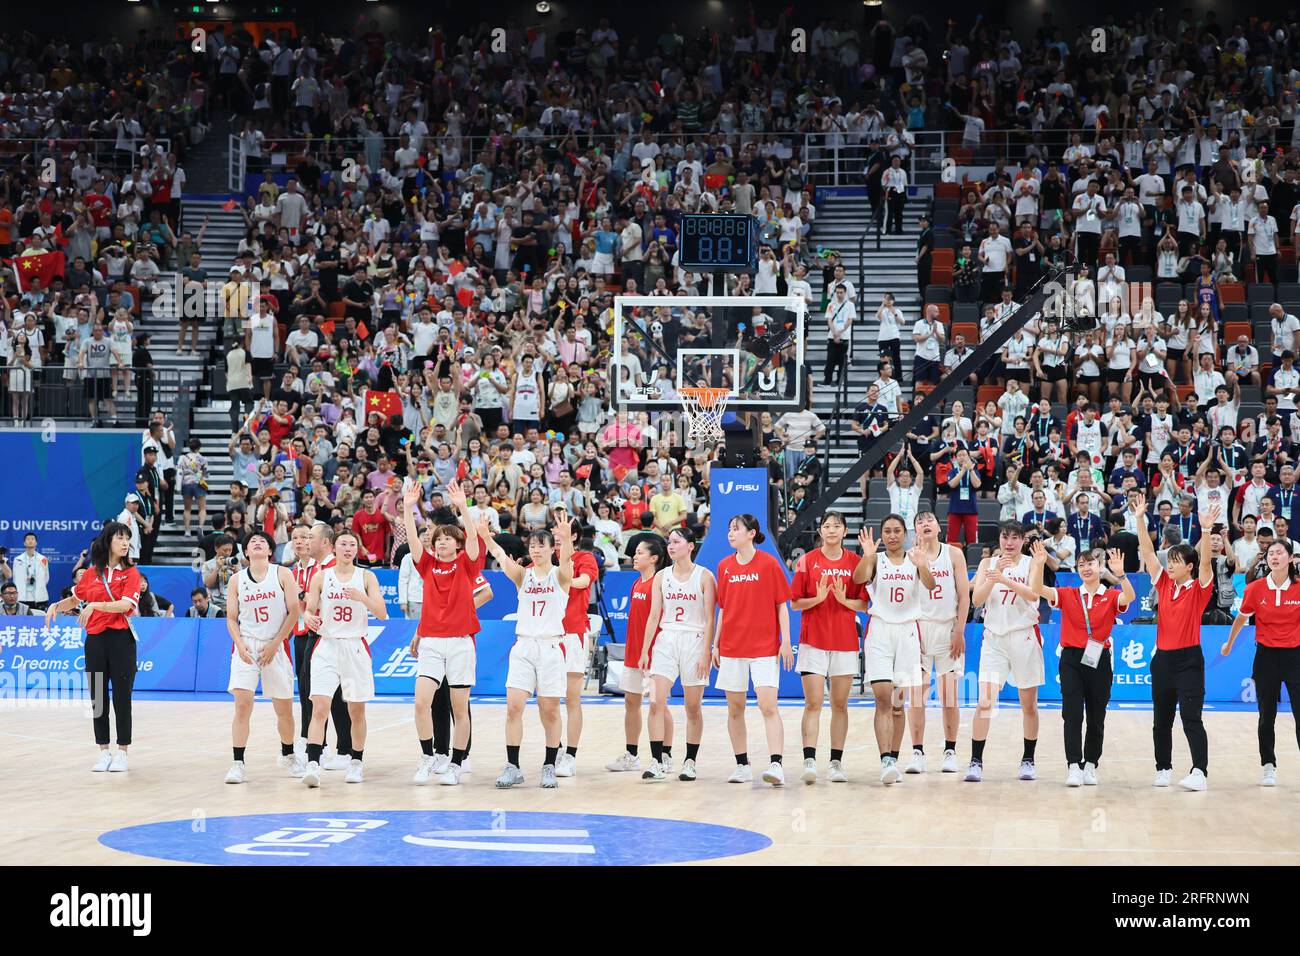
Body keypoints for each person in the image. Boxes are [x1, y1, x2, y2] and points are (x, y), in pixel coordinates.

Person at [480, 518, 577, 789]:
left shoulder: (560, 575)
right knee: (513, 707)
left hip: (550, 647)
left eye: (541, 545)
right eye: (532, 545)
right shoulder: (524, 576)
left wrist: (567, 538)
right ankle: (513, 766)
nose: (535, 549)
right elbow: (500, 556)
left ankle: (549, 764)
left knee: (549, 710)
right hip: (523, 646)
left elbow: (568, 561)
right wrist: (486, 538)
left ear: (551, 549)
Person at [1031, 544, 1135, 787]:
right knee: (1072, 714)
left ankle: (1090, 765)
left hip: (1099, 659)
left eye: (1090, 564)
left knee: (1096, 716)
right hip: (1071, 660)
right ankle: (1073, 765)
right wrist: (1038, 564)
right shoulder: (1068, 594)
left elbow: (1128, 597)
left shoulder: (1110, 596)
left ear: (1100, 567)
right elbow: (1037, 589)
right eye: (1081, 565)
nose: (1086, 568)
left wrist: (1120, 575)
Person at [1133, 493, 1216, 791]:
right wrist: (1140, 519)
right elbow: (1147, 552)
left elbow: (1206, 564)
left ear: (1189, 567)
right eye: (1171, 560)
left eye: (1177, 561)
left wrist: (1206, 532)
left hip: (1189, 660)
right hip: (1163, 661)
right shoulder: (1165, 584)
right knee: (1161, 720)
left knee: (1191, 717)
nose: (1170, 564)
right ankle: (1163, 768)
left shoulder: (1199, 589)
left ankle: (1199, 772)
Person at [402, 480, 483, 786]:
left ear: (458, 545)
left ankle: (458, 763)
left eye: (448, 539)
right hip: (432, 643)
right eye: (438, 539)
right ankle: (428, 756)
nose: (442, 542)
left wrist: (463, 506)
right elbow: (413, 541)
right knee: (421, 702)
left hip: (461, 643)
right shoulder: (427, 565)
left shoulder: (466, 565)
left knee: (459, 708)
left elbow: (474, 543)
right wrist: (409, 508)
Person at [44, 522, 141, 772]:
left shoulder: (131, 573)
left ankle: (122, 752)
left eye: (127, 539)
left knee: (122, 698)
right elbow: (75, 599)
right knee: (98, 697)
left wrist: (96, 606)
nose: (125, 542)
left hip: (121, 640)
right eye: (120, 537)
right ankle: (103, 751)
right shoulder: (92, 573)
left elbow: (125, 606)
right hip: (95, 641)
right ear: (108, 541)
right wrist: (56, 606)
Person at [300, 530, 389, 787]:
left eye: (352, 544)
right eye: (343, 544)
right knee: (319, 707)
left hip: (354, 647)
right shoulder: (321, 576)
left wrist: (362, 597)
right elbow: (308, 609)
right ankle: (313, 764)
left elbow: (382, 613)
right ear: (334, 548)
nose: (348, 548)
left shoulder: (367, 576)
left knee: (356, 710)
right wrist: (308, 617)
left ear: (357, 550)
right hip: (326, 646)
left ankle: (356, 761)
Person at [854, 516, 935, 784]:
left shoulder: (916, 558)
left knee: (899, 706)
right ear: (881, 535)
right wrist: (866, 556)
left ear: (905, 534)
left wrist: (923, 565)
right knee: (883, 699)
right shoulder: (876, 559)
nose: (892, 535)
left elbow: (931, 585)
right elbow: (858, 578)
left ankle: (894, 759)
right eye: (887, 531)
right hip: (880, 631)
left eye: (896, 531)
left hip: (907, 633)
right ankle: (885, 759)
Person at [714, 514, 794, 786]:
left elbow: (782, 604)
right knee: (734, 709)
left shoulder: (769, 564)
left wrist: (786, 640)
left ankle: (776, 764)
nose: (730, 533)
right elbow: (723, 609)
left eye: (736, 528)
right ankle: (742, 764)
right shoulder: (723, 566)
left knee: (767, 706)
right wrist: (716, 644)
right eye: (729, 529)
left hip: (764, 648)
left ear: (751, 533)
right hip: (732, 648)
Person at [967, 521, 1044, 782]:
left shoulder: (1031, 562)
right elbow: (977, 600)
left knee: (1029, 705)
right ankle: (975, 761)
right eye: (1005, 537)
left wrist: (1004, 579)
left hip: (1024, 636)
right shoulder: (988, 564)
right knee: (985, 702)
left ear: (1023, 540)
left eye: (1014, 538)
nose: (1009, 542)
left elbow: (1033, 595)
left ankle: (1028, 760)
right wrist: (994, 577)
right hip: (994, 639)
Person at [223, 531, 301, 784]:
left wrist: (276, 642)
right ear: (246, 552)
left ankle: (288, 754)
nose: (257, 543)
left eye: (263, 542)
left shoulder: (283, 574)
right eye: (252, 542)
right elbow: (231, 619)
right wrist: (240, 644)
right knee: (242, 705)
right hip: (246, 647)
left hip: (275, 645)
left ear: (270, 551)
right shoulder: (236, 580)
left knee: (284, 710)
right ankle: (237, 763)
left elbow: (294, 612)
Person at [792, 512, 864, 783]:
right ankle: (809, 760)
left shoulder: (855, 562)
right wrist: (818, 598)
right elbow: (795, 603)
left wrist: (845, 601)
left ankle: (836, 763)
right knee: (813, 703)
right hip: (813, 642)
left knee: (840, 704)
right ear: (820, 531)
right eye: (826, 526)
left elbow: (864, 604)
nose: (831, 530)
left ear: (845, 531)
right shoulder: (806, 561)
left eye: (837, 526)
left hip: (844, 642)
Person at [1221, 539, 1300, 788]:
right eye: (1270, 554)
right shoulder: (1255, 589)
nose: (1274, 557)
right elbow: (1241, 618)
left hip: (1295, 657)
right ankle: (1268, 765)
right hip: (1266, 657)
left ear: (1290, 558)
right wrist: (1229, 643)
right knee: (1267, 714)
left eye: (1280, 553)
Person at [639, 526, 715, 781]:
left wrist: (707, 651)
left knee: (692, 707)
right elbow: (653, 616)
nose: (671, 546)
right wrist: (644, 650)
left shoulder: (705, 577)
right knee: (655, 702)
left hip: (694, 639)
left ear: (690, 546)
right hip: (666, 639)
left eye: (676, 542)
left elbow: (711, 618)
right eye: (669, 542)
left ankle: (690, 761)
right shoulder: (661, 576)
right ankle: (658, 760)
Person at [906, 511, 971, 774]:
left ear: (939, 526)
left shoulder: (954, 554)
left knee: (949, 698)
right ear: (915, 531)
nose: (925, 524)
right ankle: (917, 753)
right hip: (918, 631)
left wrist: (959, 630)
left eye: (929, 520)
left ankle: (950, 751)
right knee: (916, 698)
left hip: (947, 629)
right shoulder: (908, 557)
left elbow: (964, 596)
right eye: (919, 522)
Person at [605, 537, 670, 774]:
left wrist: (648, 652)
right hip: (634, 654)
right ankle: (632, 755)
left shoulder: (659, 583)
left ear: (653, 558)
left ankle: (666, 755)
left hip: (654, 655)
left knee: (659, 706)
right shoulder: (636, 584)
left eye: (640, 553)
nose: (635, 556)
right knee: (631, 703)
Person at [557, 514, 601, 777]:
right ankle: (557, 748)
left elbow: (584, 581)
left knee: (572, 698)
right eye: (554, 532)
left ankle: (571, 755)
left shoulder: (585, 559)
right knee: (547, 701)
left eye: (562, 532)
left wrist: (563, 581)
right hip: (547, 637)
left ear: (573, 536)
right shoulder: (544, 558)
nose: (556, 536)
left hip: (573, 635)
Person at [6, 533, 49, 610]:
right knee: (21, 621)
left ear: (36, 543)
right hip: (22, 598)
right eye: (28, 539)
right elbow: (15, 578)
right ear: (24, 543)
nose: (30, 541)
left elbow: (46, 578)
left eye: (32, 539)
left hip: (40, 598)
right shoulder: (18, 559)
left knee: (39, 621)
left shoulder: (43, 559)